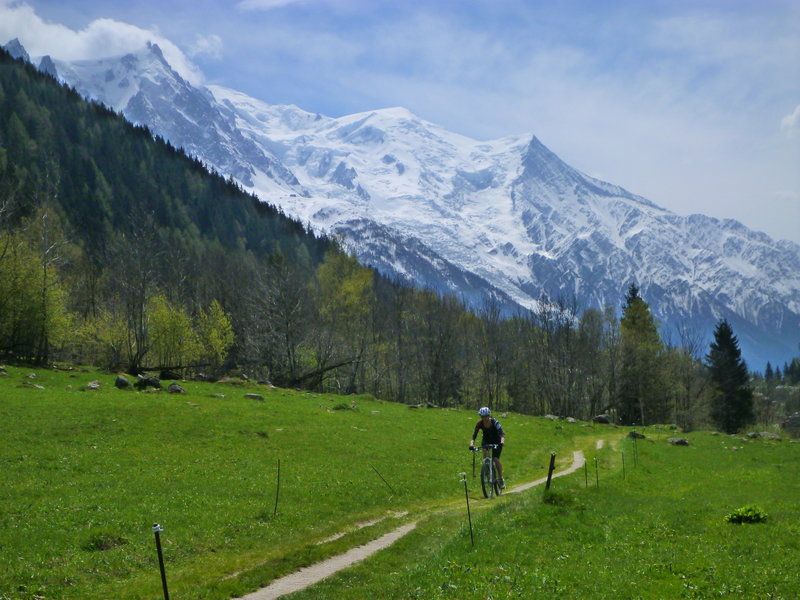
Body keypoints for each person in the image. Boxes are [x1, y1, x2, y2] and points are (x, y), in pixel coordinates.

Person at [469, 406, 505, 489]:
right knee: (485, 458)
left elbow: (501, 434)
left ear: (489, 415)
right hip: (486, 441)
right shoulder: (479, 424)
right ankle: (488, 473)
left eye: (486, 416)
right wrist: (471, 445)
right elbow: (474, 436)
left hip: (497, 441)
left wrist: (501, 442)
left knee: (495, 459)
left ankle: (500, 478)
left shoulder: (495, 422)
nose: (485, 418)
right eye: (483, 417)